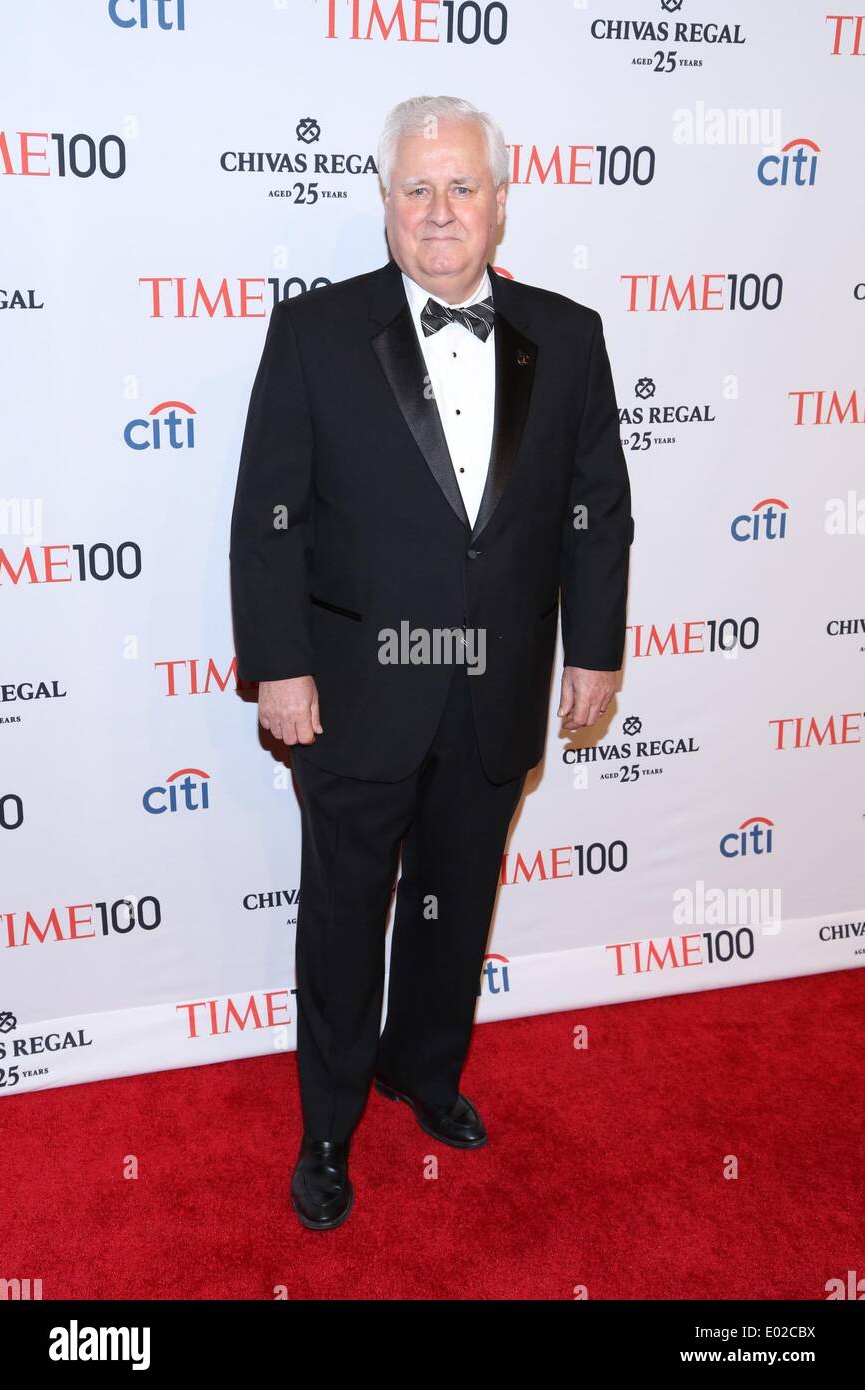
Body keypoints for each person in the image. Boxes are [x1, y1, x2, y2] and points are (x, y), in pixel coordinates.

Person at [229, 94, 634, 1231]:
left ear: (500, 204)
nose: (439, 210)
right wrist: (279, 664)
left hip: (496, 688)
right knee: (346, 914)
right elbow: (269, 515)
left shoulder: (571, 334)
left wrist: (592, 650)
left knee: (455, 905)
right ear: (385, 205)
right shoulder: (315, 332)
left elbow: (596, 512)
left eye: (461, 186)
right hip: (357, 688)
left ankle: (426, 1069)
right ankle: (325, 1126)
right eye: (417, 188)